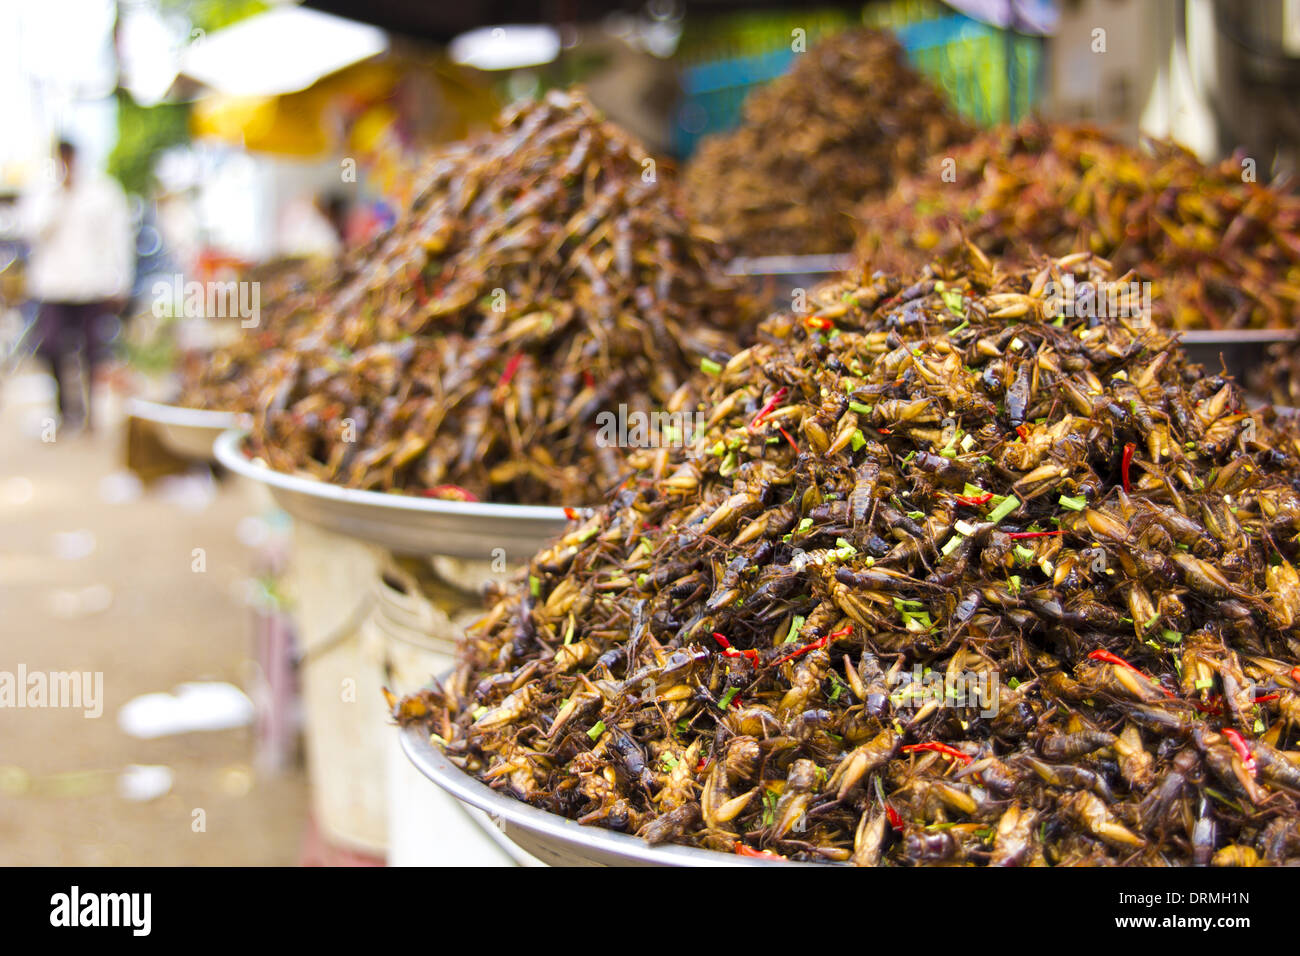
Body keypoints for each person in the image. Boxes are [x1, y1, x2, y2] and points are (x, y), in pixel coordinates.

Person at [20, 139, 134, 432]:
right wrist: (59, 196)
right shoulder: (42, 192)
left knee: (94, 352)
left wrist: (121, 281)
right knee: (52, 346)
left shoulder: (102, 191)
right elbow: (32, 230)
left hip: (91, 285)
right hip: (54, 286)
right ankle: (66, 410)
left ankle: (91, 415)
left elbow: (118, 238)